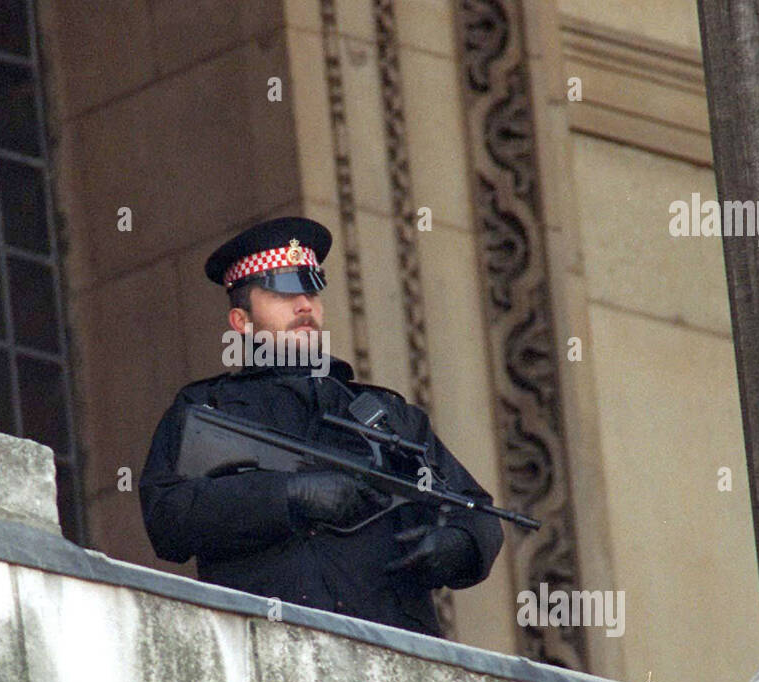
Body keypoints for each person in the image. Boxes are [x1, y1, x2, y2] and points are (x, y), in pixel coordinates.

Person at [138, 216, 503, 637]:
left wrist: (460, 545)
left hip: (391, 658)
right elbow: (168, 518)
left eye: (310, 291)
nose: (303, 306)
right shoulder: (207, 406)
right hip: (265, 650)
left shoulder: (390, 415)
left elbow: (477, 512)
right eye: (281, 292)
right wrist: (289, 496)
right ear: (242, 321)